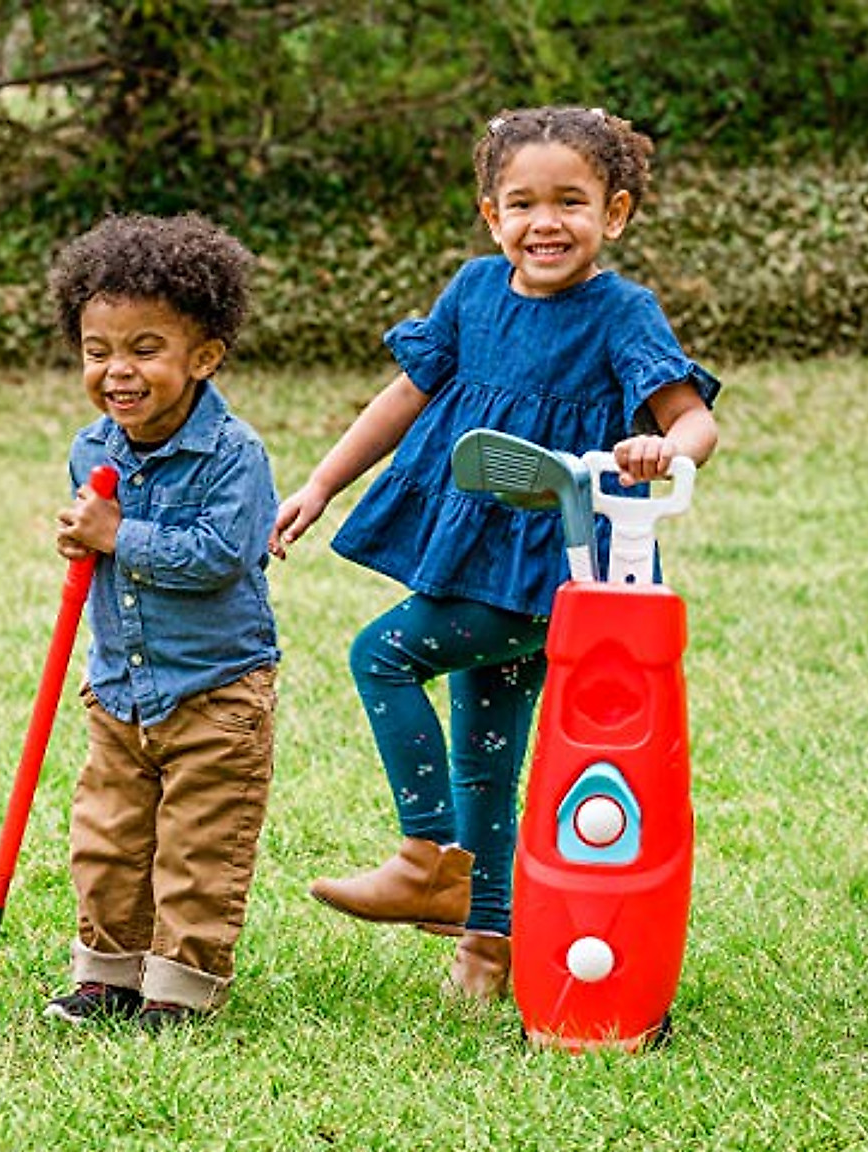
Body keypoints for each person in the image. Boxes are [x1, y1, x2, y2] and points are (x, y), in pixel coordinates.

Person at [271, 106, 720, 1003]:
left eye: (571, 203)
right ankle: (486, 951)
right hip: (478, 554)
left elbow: (692, 418)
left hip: (557, 569)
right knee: (486, 749)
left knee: (383, 654)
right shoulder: (475, 293)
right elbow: (405, 395)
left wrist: (666, 451)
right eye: (522, 203)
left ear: (615, 214)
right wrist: (321, 485)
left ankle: (424, 856)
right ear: (491, 215)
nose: (545, 223)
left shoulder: (620, 314)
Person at [43, 213, 279, 1032]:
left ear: (203, 358)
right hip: (120, 690)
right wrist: (84, 539)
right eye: (97, 350)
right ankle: (108, 973)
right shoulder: (91, 448)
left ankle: (180, 985)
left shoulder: (235, 456)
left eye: (145, 349)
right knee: (106, 839)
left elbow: (220, 555)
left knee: (197, 847)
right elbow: (100, 543)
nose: (117, 370)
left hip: (216, 691)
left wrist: (117, 536)